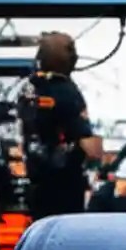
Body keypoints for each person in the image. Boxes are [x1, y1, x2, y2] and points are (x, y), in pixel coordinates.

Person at [21, 32, 104, 220]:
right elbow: (89, 145)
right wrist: (100, 157)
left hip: (36, 179)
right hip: (64, 183)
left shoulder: (30, 88)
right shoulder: (66, 92)